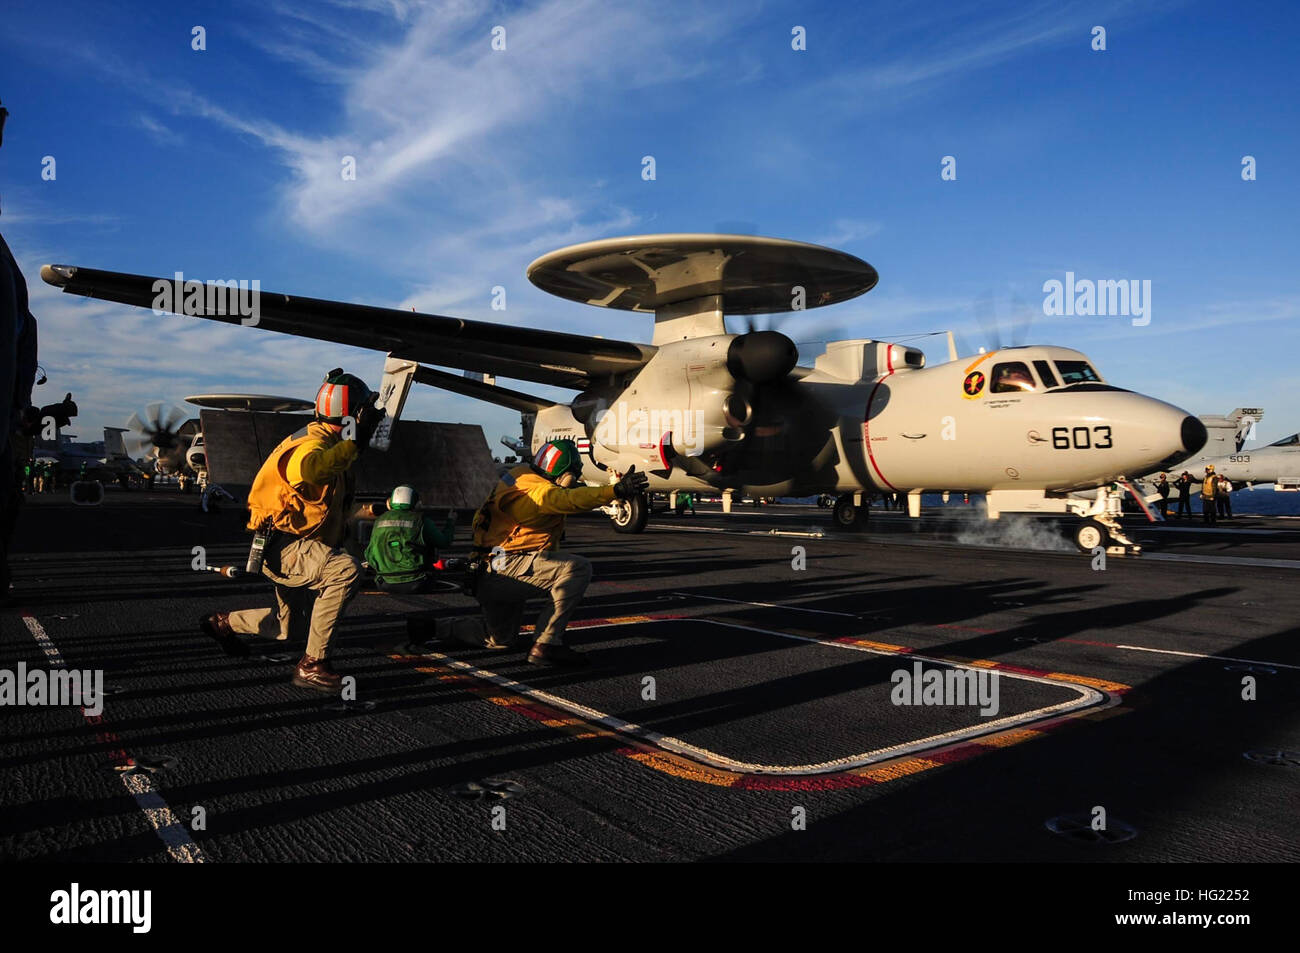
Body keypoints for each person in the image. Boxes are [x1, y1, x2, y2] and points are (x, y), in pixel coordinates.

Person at [199, 369, 385, 692]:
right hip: (285, 546)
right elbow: (311, 470)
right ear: (352, 416)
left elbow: (329, 509)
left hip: (291, 544)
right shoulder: (313, 444)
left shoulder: (327, 442)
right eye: (363, 414)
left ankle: (223, 624)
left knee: (290, 628)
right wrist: (356, 441)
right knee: (344, 572)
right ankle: (312, 665)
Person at [463, 439, 647, 666]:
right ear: (564, 474)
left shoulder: (520, 476)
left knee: (499, 639)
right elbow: (566, 499)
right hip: (505, 568)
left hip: (487, 568)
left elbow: (566, 492)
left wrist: (608, 490)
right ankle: (547, 644)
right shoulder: (541, 494)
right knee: (577, 568)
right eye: (573, 475)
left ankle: (430, 628)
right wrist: (614, 491)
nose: (574, 480)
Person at [365, 484, 457, 593]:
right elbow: (444, 542)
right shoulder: (421, 521)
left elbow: (370, 553)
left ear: (390, 503)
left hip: (384, 583)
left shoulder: (379, 521)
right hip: (417, 582)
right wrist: (451, 522)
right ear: (416, 504)